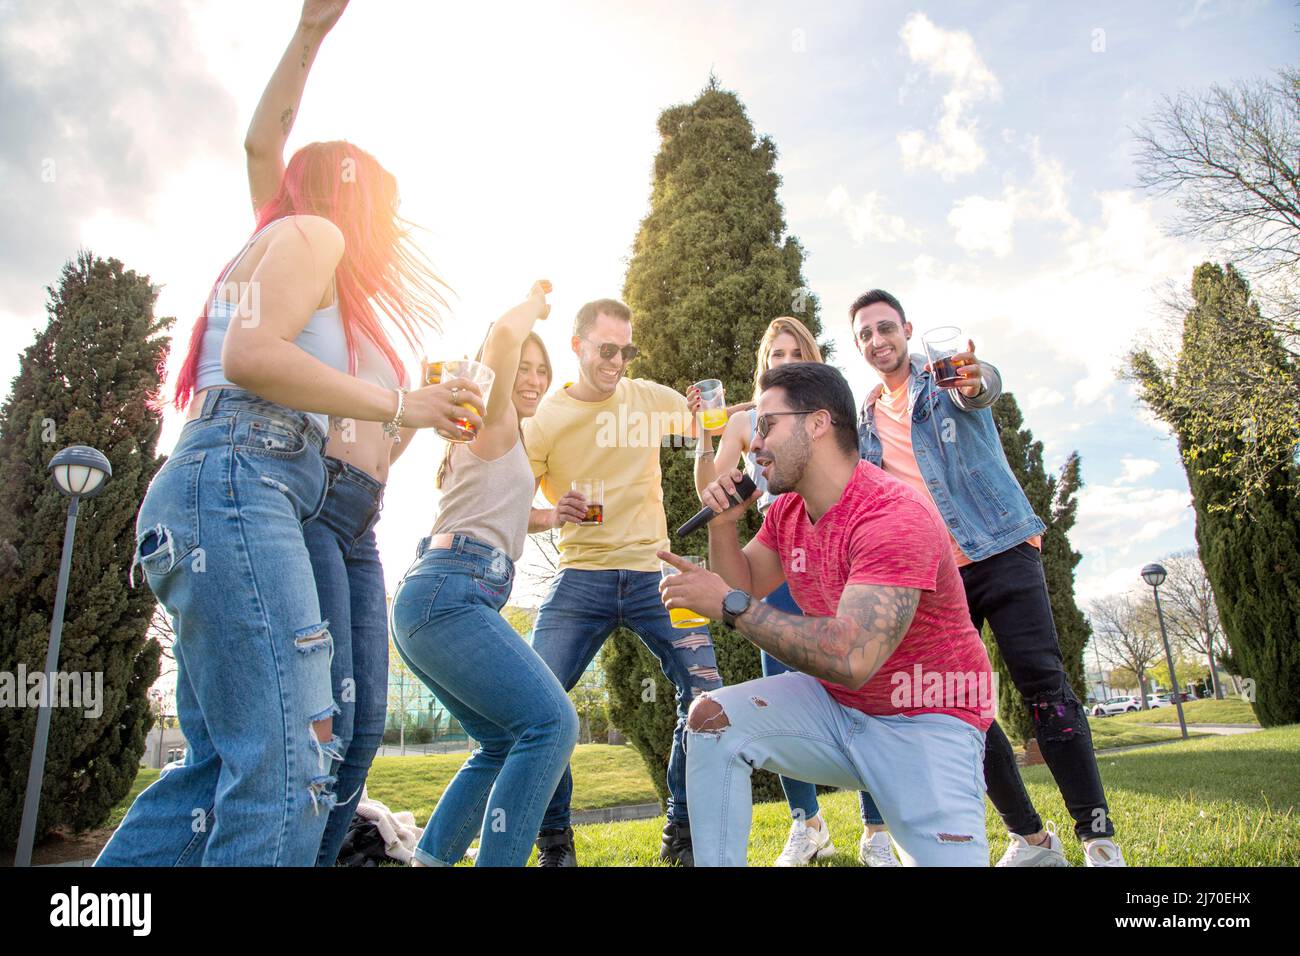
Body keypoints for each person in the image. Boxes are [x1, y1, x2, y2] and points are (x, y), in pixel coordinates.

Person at [95, 71, 476, 869]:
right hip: (244, 478)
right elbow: (249, 355)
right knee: (288, 763)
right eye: (389, 206)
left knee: (227, 767)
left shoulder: (324, 272)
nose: (396, 225)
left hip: (238, 481)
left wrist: (414, 414)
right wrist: (405, 403)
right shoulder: (310, 235)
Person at [660, 361, 994, 867]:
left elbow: (852, 655)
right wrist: (724, 527)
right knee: (710, 720)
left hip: (926, 721)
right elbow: (743, 584)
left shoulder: (891, 515)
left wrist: (729, 606)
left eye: (767, 425)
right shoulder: (791, 511)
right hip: (838, 710)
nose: (753, 445)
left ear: (818, 423)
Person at [241, 0, 433, 867]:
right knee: (319, 726)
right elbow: (260, 151)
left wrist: (427, 421)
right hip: (305, 503)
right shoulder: (299, 246)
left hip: (363, 522)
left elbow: (385, 443)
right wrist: (309, 34)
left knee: (359, 737)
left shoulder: (375, 317)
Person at [850, 288, 1124, 867]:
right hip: (939, 578)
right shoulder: (865, 419)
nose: (878, 341)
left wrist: (974, 379)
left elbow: (982, 386)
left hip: (1000, 547)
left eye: (885, 328)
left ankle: (1098, 841)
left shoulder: (944, 379)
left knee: (1044, 687)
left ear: (906, 329)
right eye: (866, 335)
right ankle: (1031, 840)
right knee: (963, 706)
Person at [523, 298, 719, 866]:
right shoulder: (547, 421)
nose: (618, 361)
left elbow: (707, 421)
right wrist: (554, 510)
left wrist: (729, 408)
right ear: (578, 347)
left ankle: (681, 834)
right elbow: (515, 502)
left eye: (626, 350)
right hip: (579, 576)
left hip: (653, 568)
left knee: (706, 691)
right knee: (541, 703)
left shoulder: (647, 398)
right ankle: (555, 842)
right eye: (607, 349)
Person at [391, 282, 580, 867]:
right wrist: (534, 306)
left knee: (499, 743)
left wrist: (555, 516)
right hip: (452, 592)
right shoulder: (490, 414)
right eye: (523, 366)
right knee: (551, 723)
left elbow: (504, 517)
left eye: (541, 370)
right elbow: (500, 333)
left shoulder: (501, 438)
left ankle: (429, 860)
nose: (533, 378)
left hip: (440, 593)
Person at [692, 316, 869, 866]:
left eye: (797, 352)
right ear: (763, 365)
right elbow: (711, 493)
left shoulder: (827, 419)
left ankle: (878, 827)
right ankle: (807, 822)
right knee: (782, 682)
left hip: (829, 543)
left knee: (858, 674)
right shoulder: (747, 421)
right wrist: (704, 433)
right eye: (776, 354)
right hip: (778, 551)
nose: (786, 361)